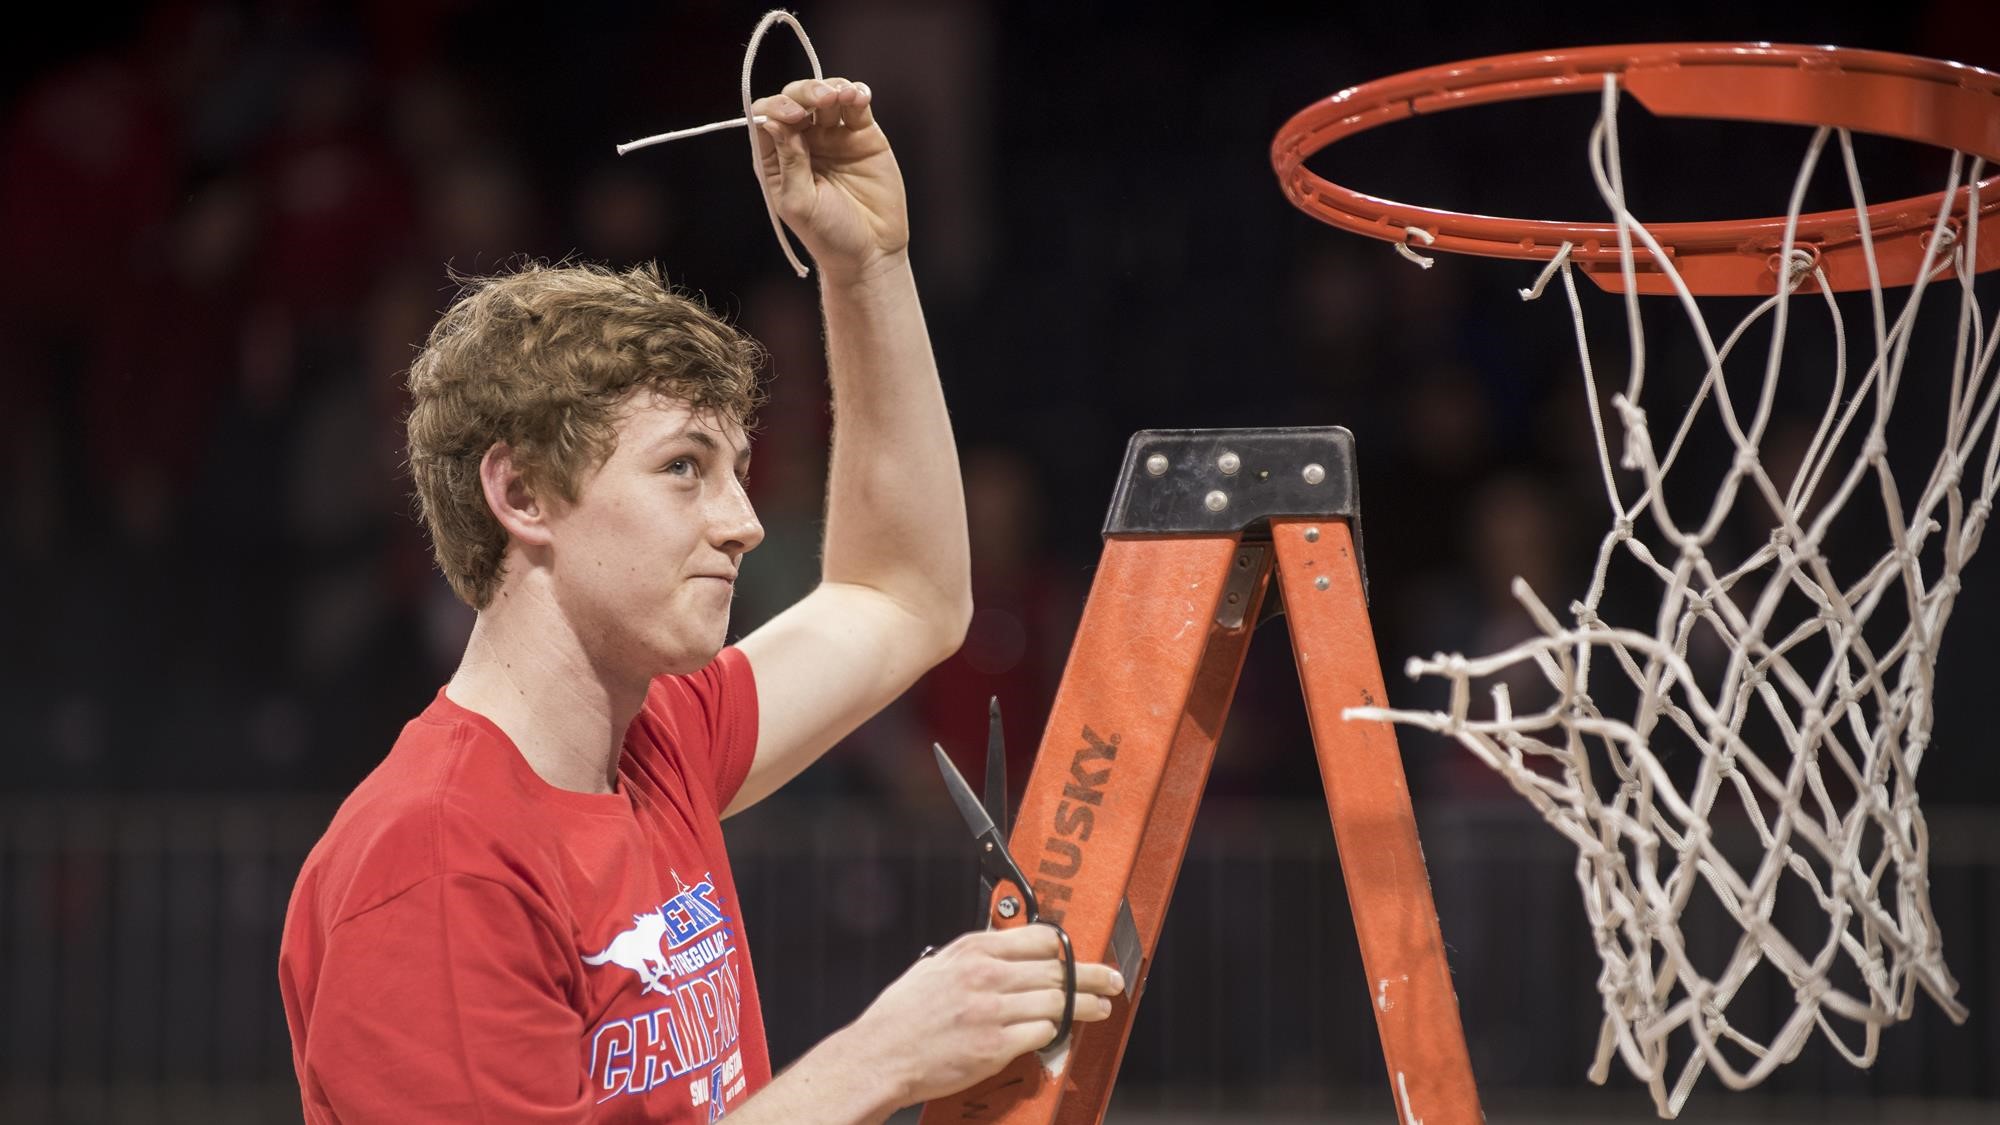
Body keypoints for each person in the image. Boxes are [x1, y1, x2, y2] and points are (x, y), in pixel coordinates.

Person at [279, 76, 1123, 1123]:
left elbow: (903, 594)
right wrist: (879, 1060)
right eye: (684, 468)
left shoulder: (653, 745)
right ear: (521, 492)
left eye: (734, 470)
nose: (743, 519)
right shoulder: (434, 858)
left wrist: (865, 265)